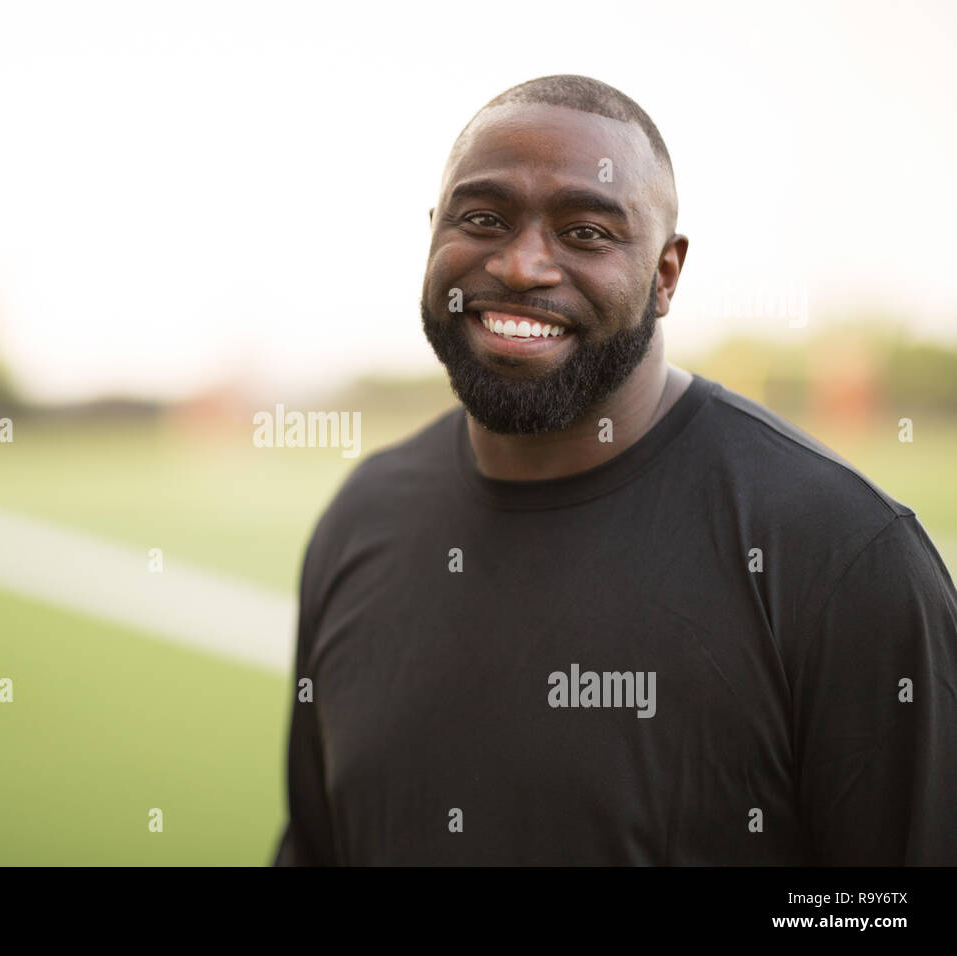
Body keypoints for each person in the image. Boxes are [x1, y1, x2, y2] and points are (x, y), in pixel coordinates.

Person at [271, 74, 957, 865]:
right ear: (433, 234)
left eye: (586, 231)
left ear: (666, 275)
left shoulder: (841, 553)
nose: (523, 265)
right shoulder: (363, 514)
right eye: (484, 218)